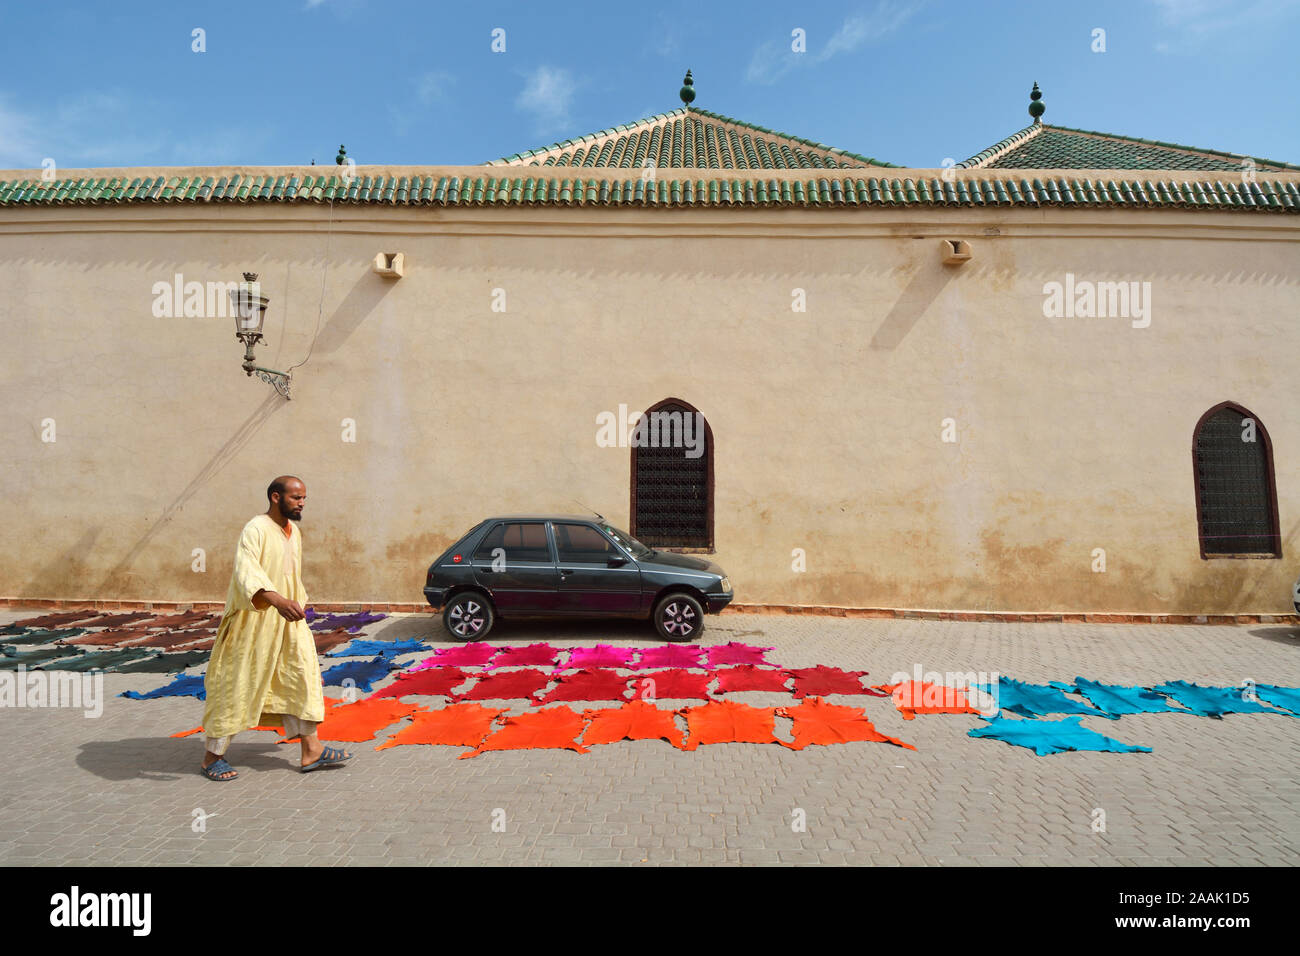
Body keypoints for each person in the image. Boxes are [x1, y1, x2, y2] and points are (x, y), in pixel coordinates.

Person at [199, 476, 352, 780]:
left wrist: (293, 604)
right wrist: (276, 600)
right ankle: (211, 757)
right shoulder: (255, 528)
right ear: (275, 497)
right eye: (296, 497)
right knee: (236, 684)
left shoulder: (294, 531)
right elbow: (246, 572)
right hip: (252, 622)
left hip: (288, 621)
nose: (302, 503)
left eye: (304, 498)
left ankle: (312, 750)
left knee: (301, 677)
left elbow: (290, 575)